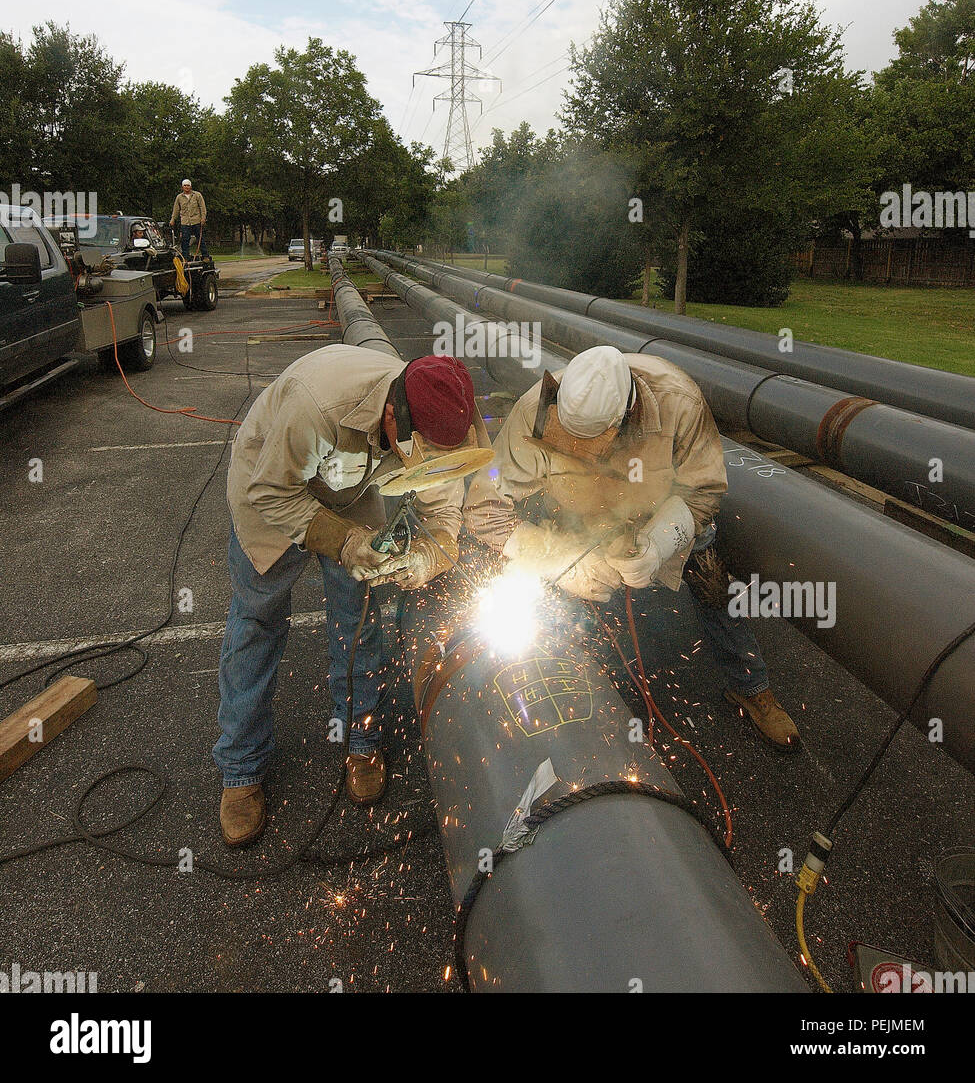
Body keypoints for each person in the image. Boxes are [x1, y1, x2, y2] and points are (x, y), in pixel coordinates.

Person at [215, 345, 488, 848]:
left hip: (352, 488)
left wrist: (433, 551)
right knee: (257, 623)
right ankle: (240, 770)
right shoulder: (317, 405)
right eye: (419, 451)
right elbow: (272, 491)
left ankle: (359, 740)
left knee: (359, 617)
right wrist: (344, 542)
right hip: (271, 487)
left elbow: (441, 501)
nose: (426, 461)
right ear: (392, 417)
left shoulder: (433, 418)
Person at [464, 344, 798, 749]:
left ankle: (751, 685)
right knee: (554, 604)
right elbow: (485, 507)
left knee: (713, 583)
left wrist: (659, 543)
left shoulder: (680, 403)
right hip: (578, 520)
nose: (580, 451)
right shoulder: (532, 411)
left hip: (657, 510)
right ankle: (566, 700)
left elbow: (704, 491)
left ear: (625, 419)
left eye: (591, 443)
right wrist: (561, 561)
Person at [169, 178, 207, 259]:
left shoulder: (197, 195)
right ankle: (185, 257)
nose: (186, 187)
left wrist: (203, 218)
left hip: (196, 220)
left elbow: (202, 207)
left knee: (200, 239)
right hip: (185, 222)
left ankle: (205, 256)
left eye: (188, 185)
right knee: (185, 240)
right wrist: (173, 219)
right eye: (185, 185)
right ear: (182, 187)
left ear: (191, 186)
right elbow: (176, 209)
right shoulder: (179, 197)